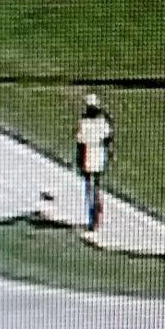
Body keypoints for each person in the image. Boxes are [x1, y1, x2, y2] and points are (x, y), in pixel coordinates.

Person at [75, 94, 113, 232]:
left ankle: (93, 218)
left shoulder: (84, 123)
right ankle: (97, 213)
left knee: (89, 189)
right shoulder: (102, 122)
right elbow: (109, 138)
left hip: (88, 157)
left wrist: (79, 161)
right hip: (99, 157)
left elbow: (80, 144)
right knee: (96, 186)